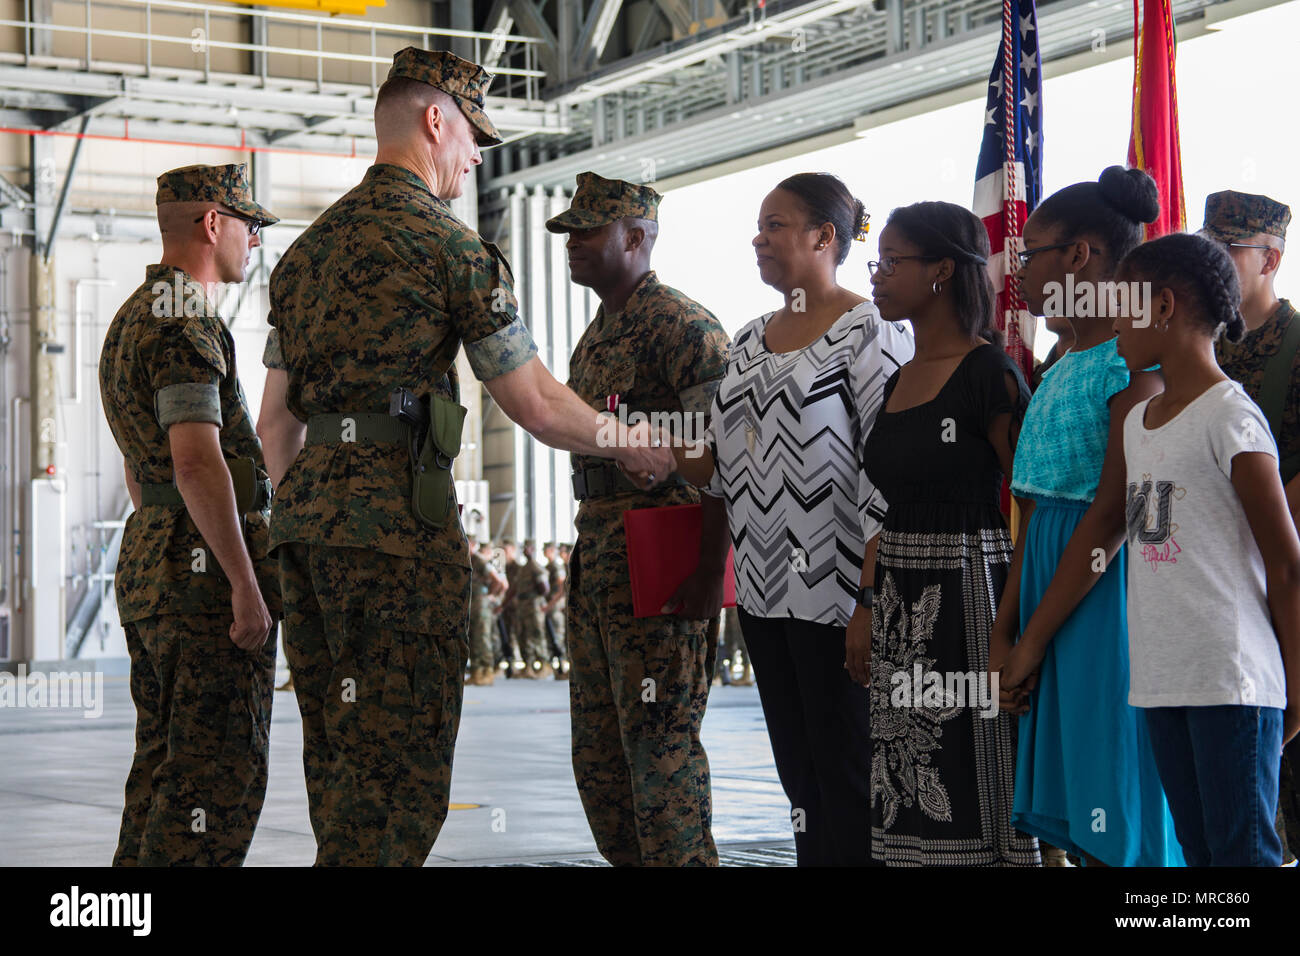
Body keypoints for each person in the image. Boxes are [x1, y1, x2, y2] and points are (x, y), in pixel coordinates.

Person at [254, 50, 673, 866]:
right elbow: (536, 403)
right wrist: (635, 444)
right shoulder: (451, 249)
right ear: (434, 120)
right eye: (472, 134)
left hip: (305, 536)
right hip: (397, 539)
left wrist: (298, 527)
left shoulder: (302, 258)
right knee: (404, 776)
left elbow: (275, 427)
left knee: (339, 766)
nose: (477, 155)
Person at [672, 172, 913, 865]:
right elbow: (719, 465)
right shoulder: (747, 340)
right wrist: (651, 449)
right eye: (759, 224)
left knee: (852, 775)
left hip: (840, 598)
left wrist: (871, 600)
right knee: (800, 781)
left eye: (775, 224)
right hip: (765, 594)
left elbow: (886, 478)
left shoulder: (872, 331)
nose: (758, 237)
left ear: (824, 237)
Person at [991, 166, 1181, 867]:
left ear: (1079, 256)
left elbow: (1111, 517)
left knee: (1117, 806)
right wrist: (1005, 627)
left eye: (1030, 253)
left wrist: (1032, 640)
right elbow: (1037, 510)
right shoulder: (1064, 359)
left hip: (1106, 593)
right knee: (1076, 808)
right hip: (1050, 580)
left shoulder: (1134, 366)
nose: (1020, 272)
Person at [99, 163, 281, 866]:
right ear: (213, 224)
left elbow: (139, 466)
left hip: (154, 559)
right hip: (199, 579)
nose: (255, 240)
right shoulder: (185, 320)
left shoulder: (131, 316)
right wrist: (241, 582)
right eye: (249, 224)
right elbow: (195, 460)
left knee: (162, 770)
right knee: (215, 780)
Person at [548, 171, 730, 866]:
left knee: (660, 750)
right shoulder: (594, 338)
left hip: (663, 559)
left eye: (587, 231)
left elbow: (722, 456)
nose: (572, 244)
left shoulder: (683, 326)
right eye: (568, 233)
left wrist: (711, 570)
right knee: (599, 759)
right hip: (599, 554)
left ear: (637, 236)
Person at [1112, 232, 1300, 865]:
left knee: (1243, 854)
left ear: (1162, 307)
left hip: (1233, 680)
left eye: (1124, 306)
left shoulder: (1230, 416)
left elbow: (1286, 562)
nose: (1116, 324)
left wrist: (1296, 684)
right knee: (1199, 856)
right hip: (1163, 680)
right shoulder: (1140, 422)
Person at [861, 200, 1038, 866]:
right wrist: (865, 603)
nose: (876, 275)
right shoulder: (901, 378)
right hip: (901, 600)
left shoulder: (989, 374)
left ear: (940, 270)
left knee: (969, 768)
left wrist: (1011, 627)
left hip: (972, 597)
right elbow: (894, 504)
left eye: (891, 261)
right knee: (908, 770)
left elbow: (1032, 504)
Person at [1203, 190, 1299, 864]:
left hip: (1284, 576)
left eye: (1228, 249)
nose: (1213, 260)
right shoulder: (1197, 341)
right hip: (1209, 584)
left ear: (1271, 257)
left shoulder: (1295, 349)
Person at [468, 536, 506, 685]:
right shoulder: (468, 559)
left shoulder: (479, 560)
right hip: (472, 605)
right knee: (473, 638)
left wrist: (490, 596)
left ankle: (487, 671)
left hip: (481, 605)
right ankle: (476, 672)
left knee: (483, 638)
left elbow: (498, 582)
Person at [517, 539, 552, 678]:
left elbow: (545, 589)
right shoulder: (523, 568)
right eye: (524, 548)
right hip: (523, 605)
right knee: (524, 635)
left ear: (533, 549)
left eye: (528, 548)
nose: (525, 550)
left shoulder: (536, 567)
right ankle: (528, 666)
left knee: (537, 634)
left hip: (534, 605)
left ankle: (544, 664)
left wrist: (537, 600)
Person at [542, 541, 569, 679]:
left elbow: (561, 588)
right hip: (552, 606)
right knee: (552, 637)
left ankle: (563, 669)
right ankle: (558, 669)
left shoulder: (556, 567)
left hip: (556, 607)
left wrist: (550, 604)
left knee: (558, 637)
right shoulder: (550, 566)